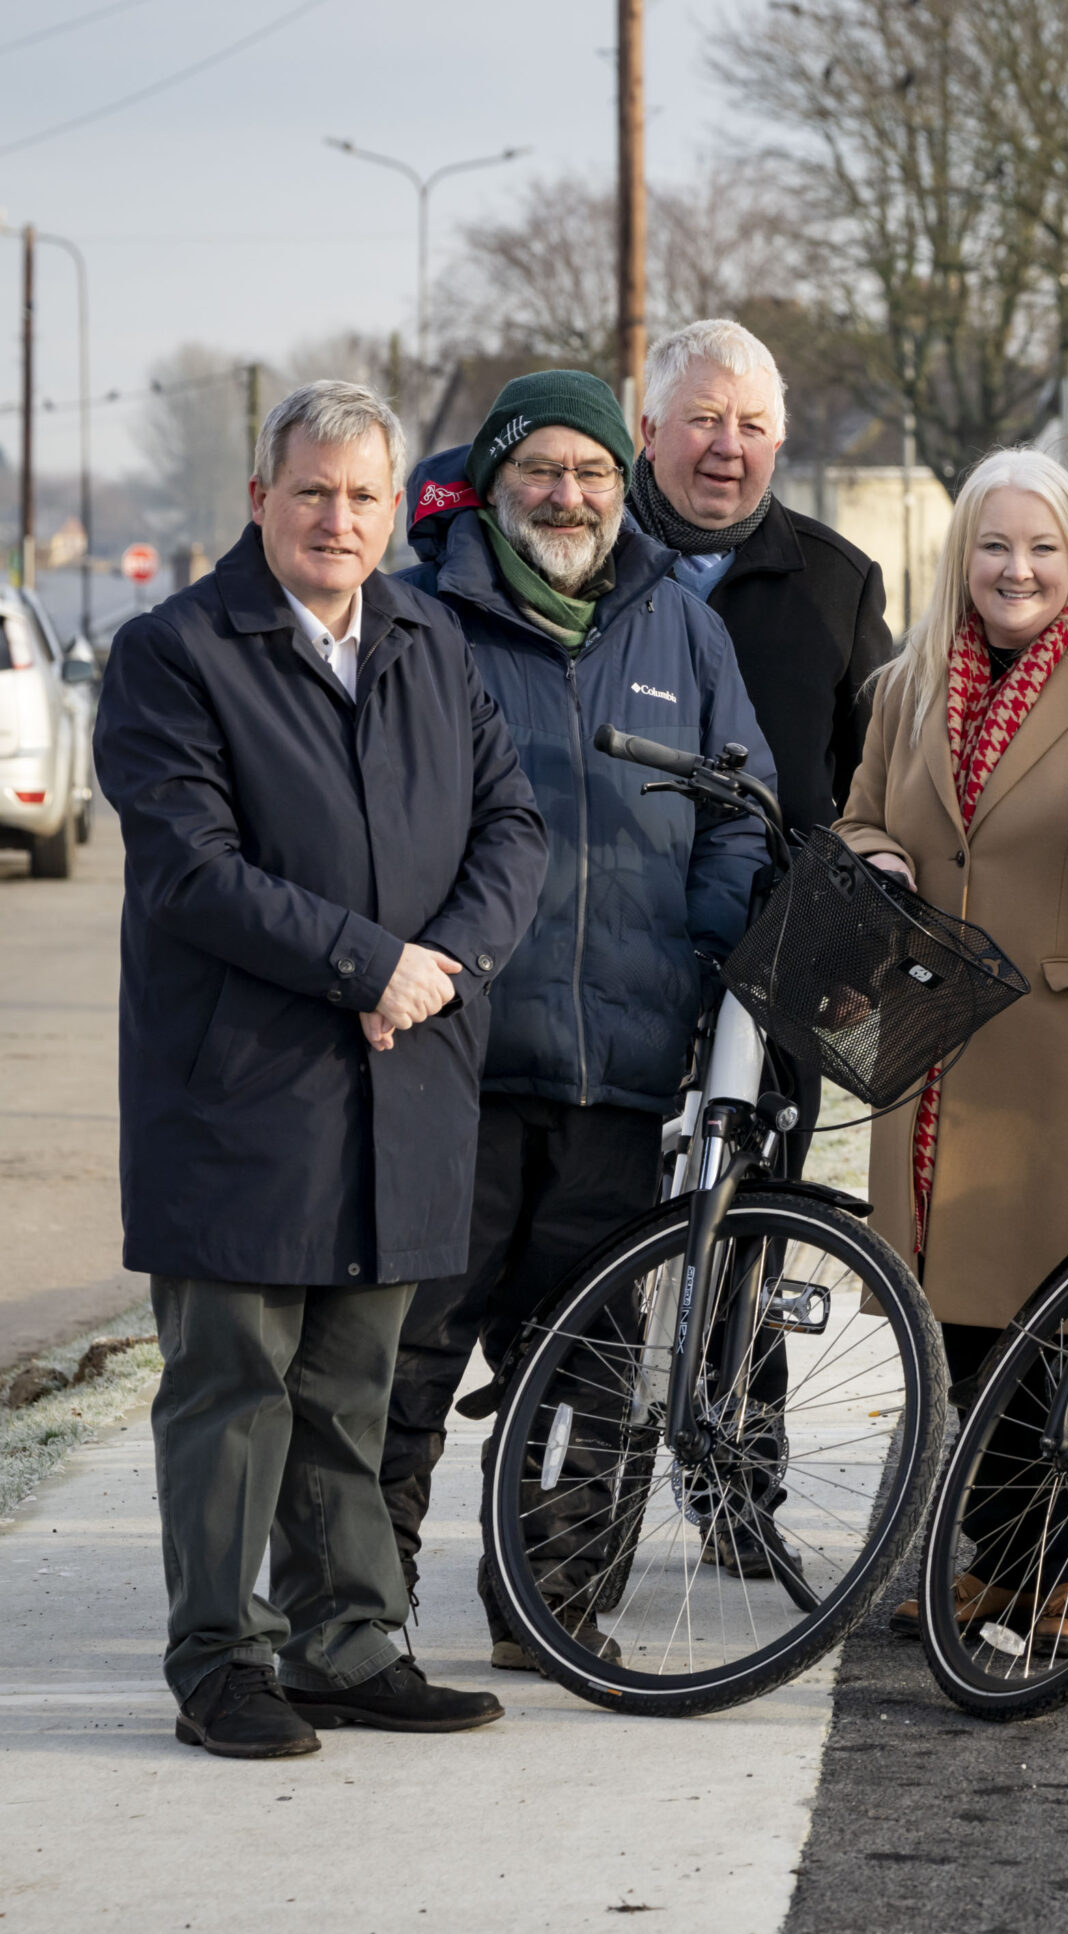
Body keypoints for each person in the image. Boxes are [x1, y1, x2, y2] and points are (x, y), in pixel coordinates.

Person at [94, 381, 547, 1758]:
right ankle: (221, 1662)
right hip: (242, 1093)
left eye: (362, 496)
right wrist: (370, 966)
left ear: (394, 507)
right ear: (260, 500)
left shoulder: (426, 638)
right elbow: (192, 873)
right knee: (233, 1389)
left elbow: (513, 826)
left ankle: (348, 1643)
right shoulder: (174, 653)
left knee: (355, 1388)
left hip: (402, 1079)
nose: (337, 519)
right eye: (311, 492)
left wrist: (446, 962)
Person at [384, 370, 778, 1663]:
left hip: (621, 1069)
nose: (569, 495)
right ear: (492, 486)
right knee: (410, 1356)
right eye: (541, 471)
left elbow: (741, 811)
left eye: (593, 472)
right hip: (461, 1062)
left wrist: (696, 948)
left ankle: (550, 1604)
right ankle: (361, 1610)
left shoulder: (682, 628)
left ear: (624, 483)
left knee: (594, 1361)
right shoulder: (422, 619)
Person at [842, 447, 1068, 1652]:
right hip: (935, 1046)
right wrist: (871, 850)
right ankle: (1003, 1562)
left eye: (1042, 547)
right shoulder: (904, 686)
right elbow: (859, 813)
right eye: (995, 546)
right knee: (953, 1321)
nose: (1018, 569)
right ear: (963, 557)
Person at [631, 318, 896, 1172]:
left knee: (750, 1216)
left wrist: (854, 952)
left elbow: (876, 790)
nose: (728, 446)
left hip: (776, 965)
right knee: (606, 1217)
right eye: (704, 419)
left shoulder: (837, 584)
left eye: (751, 426)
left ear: (778, 443)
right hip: (612, 960)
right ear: (648, 430)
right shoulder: (589, 567)